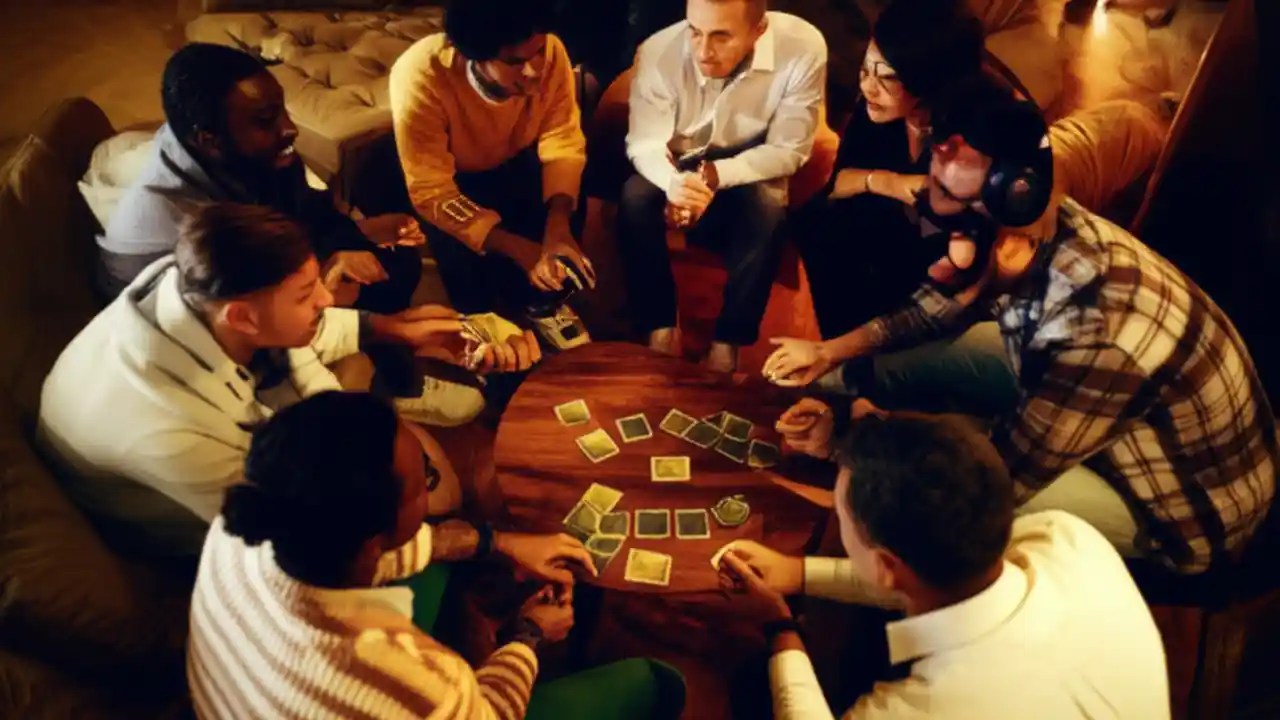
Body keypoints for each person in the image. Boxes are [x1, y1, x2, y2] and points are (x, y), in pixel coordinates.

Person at [763, 77, 1277, 574]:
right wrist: (829, 354)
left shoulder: (1092, 338)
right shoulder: (1037, 220)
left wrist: (850, 439)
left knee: (942, 509)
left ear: (1007, 241)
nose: (936, 238)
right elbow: (939, 307)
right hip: (1091, 399)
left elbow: (993, 479)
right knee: (925, 364)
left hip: (1177, 510)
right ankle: (818, 397)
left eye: (953, 225)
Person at [38, 203, 538, 557]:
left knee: (423, 469)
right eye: (305, 294)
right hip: (191, 524)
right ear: (242, 318)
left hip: (248, 447)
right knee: (441, 494)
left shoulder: (196, 279)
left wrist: (388, 330)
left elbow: (291, 343)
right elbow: (299, 540)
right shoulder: (171, 435)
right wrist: (476, 541)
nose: (325, 299)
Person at [188, 390, 684, 719]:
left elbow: (394, 549)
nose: (434, 480)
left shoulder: (247, 522)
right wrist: (529, 638)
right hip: (352, 695)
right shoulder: (427, 682)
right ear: (372, 537)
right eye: (425, 479)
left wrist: (499, 542)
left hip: (256, 686)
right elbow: (488, 712)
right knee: (657, 682)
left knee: (443, 560)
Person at [718, 414, 1170, 718]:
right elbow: (926, 571)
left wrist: (780, 628)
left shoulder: (926, 706)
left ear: (885, 564)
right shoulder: (1067, 535)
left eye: (843, 518)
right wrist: (797, 573)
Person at [102, 42, 421, 315]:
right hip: (207, 319)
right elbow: (232, 327)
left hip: (259, 266)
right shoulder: (184, 235)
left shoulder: (243, 153)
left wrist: (345, 246)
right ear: (209, 140)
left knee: (396, 266)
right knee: (371, 297)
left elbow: (305, 207)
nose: (289, 128)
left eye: (282, 109)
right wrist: (329, 286)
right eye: (266, 120)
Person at [619, 0, 827, 372]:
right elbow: (644, 143)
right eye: (694, 32)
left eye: (720, 37)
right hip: (677, 161)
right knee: (635, 197)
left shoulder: (803, 46)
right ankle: (660, 328)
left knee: (768, 208)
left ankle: (727, 343)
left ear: (758, 30)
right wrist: (676, 185)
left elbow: (789, 149)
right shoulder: (658, 51)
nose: (702, 51)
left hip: (750, 162)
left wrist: (715, 175)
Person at [389, 0, 595, 351]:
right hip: (450, 183)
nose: (533, 71)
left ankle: (541, 306)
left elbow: (563, 140)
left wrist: (557, 229)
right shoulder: (421, 74)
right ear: (473, 57)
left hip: (512, 161)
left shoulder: (551, 51)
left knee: (569, 203)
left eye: (538, 53)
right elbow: (432, 192)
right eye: (514, 62)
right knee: (473, 284)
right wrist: (521, 250)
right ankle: (488, 344)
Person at [795, 0, 984, 339]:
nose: (868, 86)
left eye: (887, 78)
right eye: (865, 70)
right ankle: (841, 348)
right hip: (877, 232)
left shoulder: (973, 132)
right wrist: (890, 182)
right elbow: (839, 181)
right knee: (819, 220)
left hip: (938, 261)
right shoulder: (876, 113)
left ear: (929, 82)